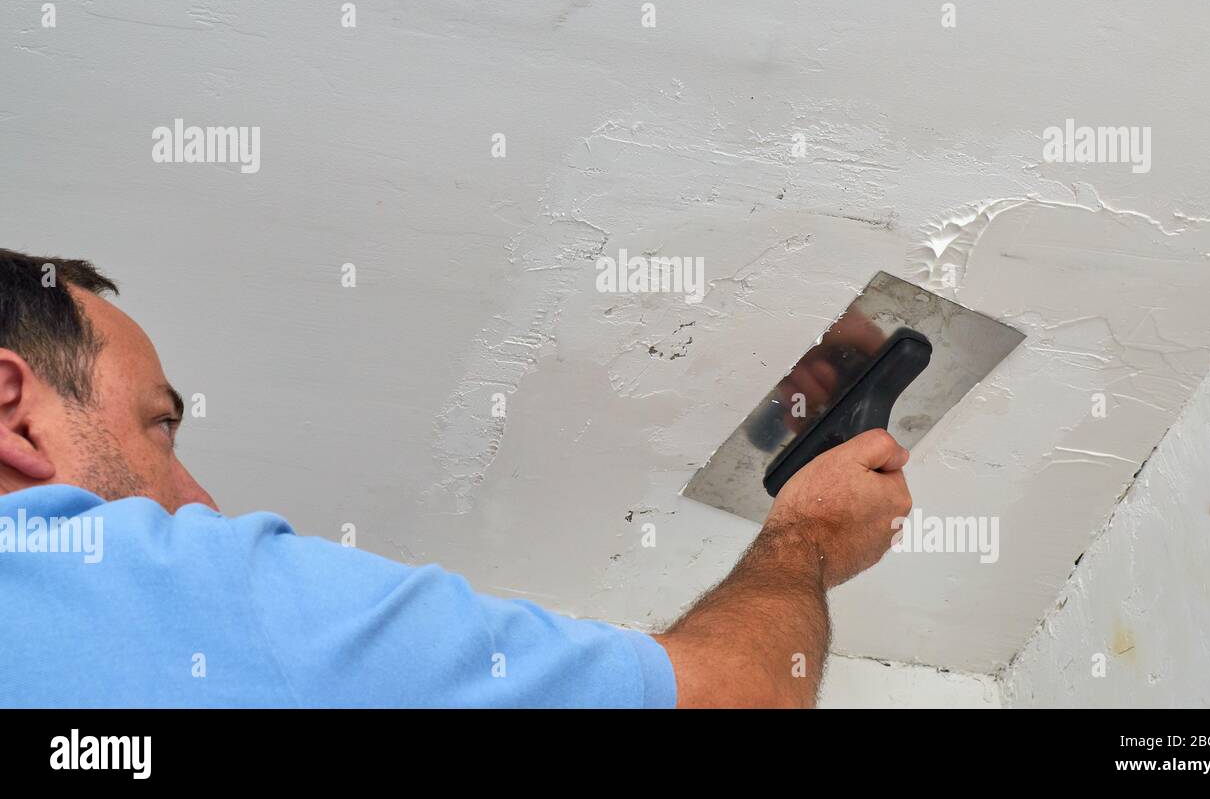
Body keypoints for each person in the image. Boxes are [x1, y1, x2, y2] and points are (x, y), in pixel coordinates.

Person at [0, 248, 912, 708]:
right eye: (157, 425)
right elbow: (719, 698)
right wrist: (808, 543)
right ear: (10, 403)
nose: (195, 498)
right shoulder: (191, 588)